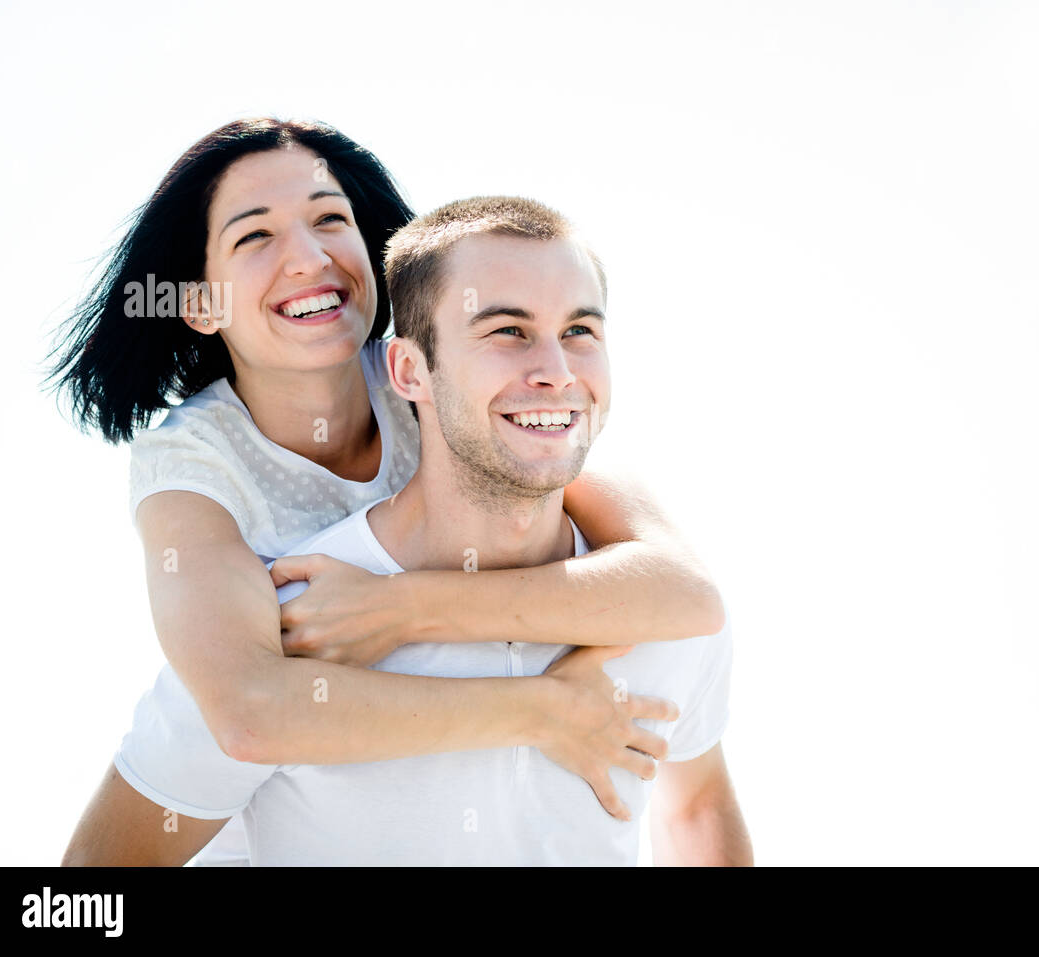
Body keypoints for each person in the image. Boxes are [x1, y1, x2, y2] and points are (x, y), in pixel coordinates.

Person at [51, 119, 725, 866]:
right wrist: (543, 710)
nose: (308, 257)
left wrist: (398, 607)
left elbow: (681, 590)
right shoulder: (195, 466)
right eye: (255, 238)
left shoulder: (445, 375)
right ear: (201, 303)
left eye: (329, 220)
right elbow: (248, 711)